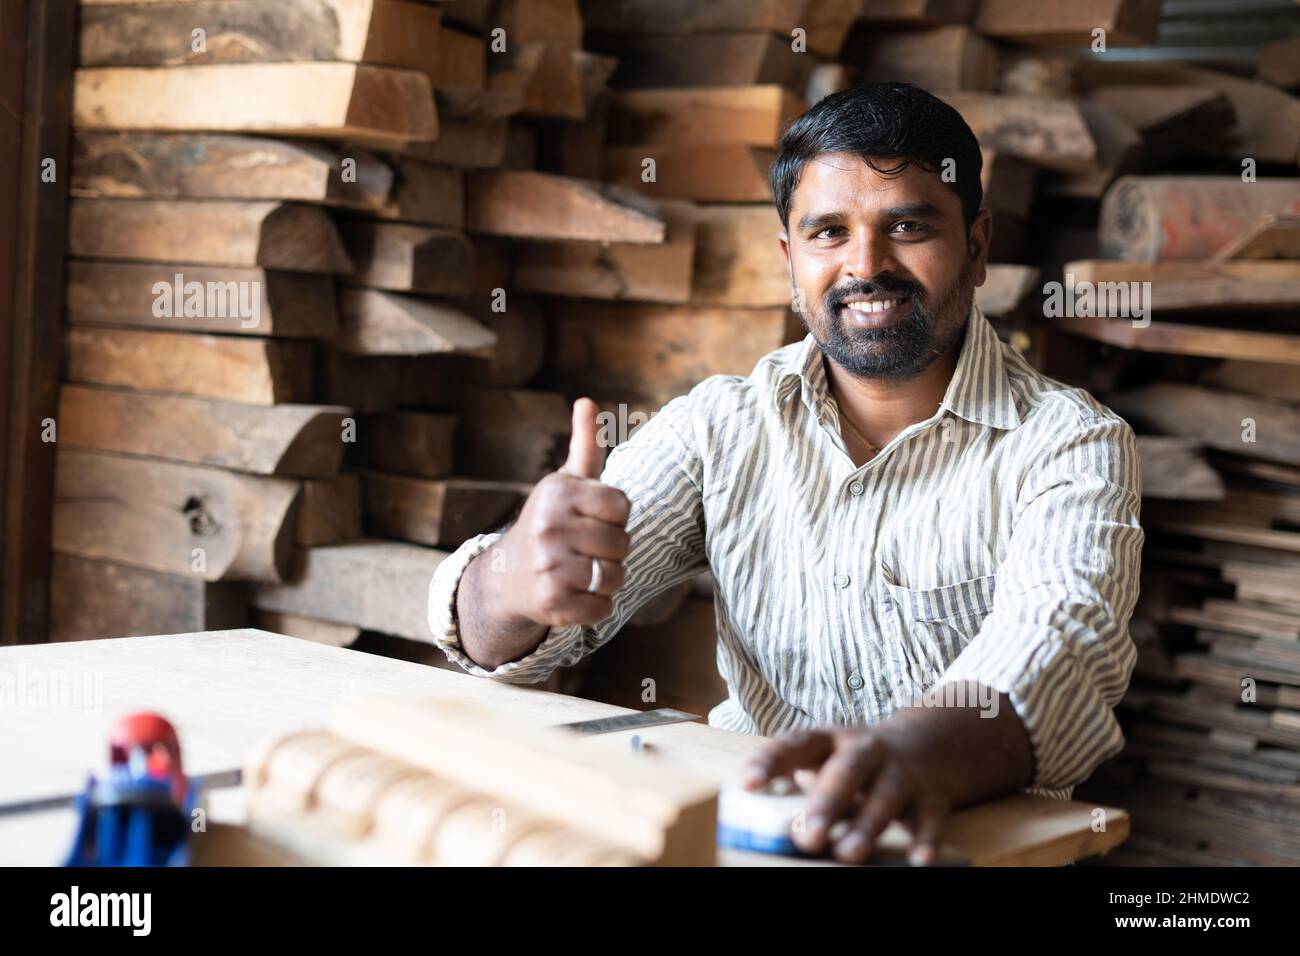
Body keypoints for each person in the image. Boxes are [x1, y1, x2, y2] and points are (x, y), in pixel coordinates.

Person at [428, 82, 1144, 865]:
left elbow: (1062, 641)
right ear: (788, 260)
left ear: (975, 248)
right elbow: (504, 638)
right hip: (757, 843)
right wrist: (512, 578)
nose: (865, 265)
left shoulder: (1069, 443)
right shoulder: (720, 429)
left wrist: (911, 754)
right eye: (828, 232)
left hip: (969, 847)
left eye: (907, 225)